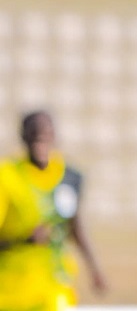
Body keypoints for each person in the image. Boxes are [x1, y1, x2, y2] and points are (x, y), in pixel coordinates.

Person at [0, 111, 107, 311]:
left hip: (54, 284)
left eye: (45, 134)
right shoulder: (7, 176)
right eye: (34, 135)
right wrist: (24, 240)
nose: (40, 140)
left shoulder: (70, 176)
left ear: (55, 136)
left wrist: (94, 269)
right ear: (23, 137)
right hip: (12, 286)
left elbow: (76, 226)